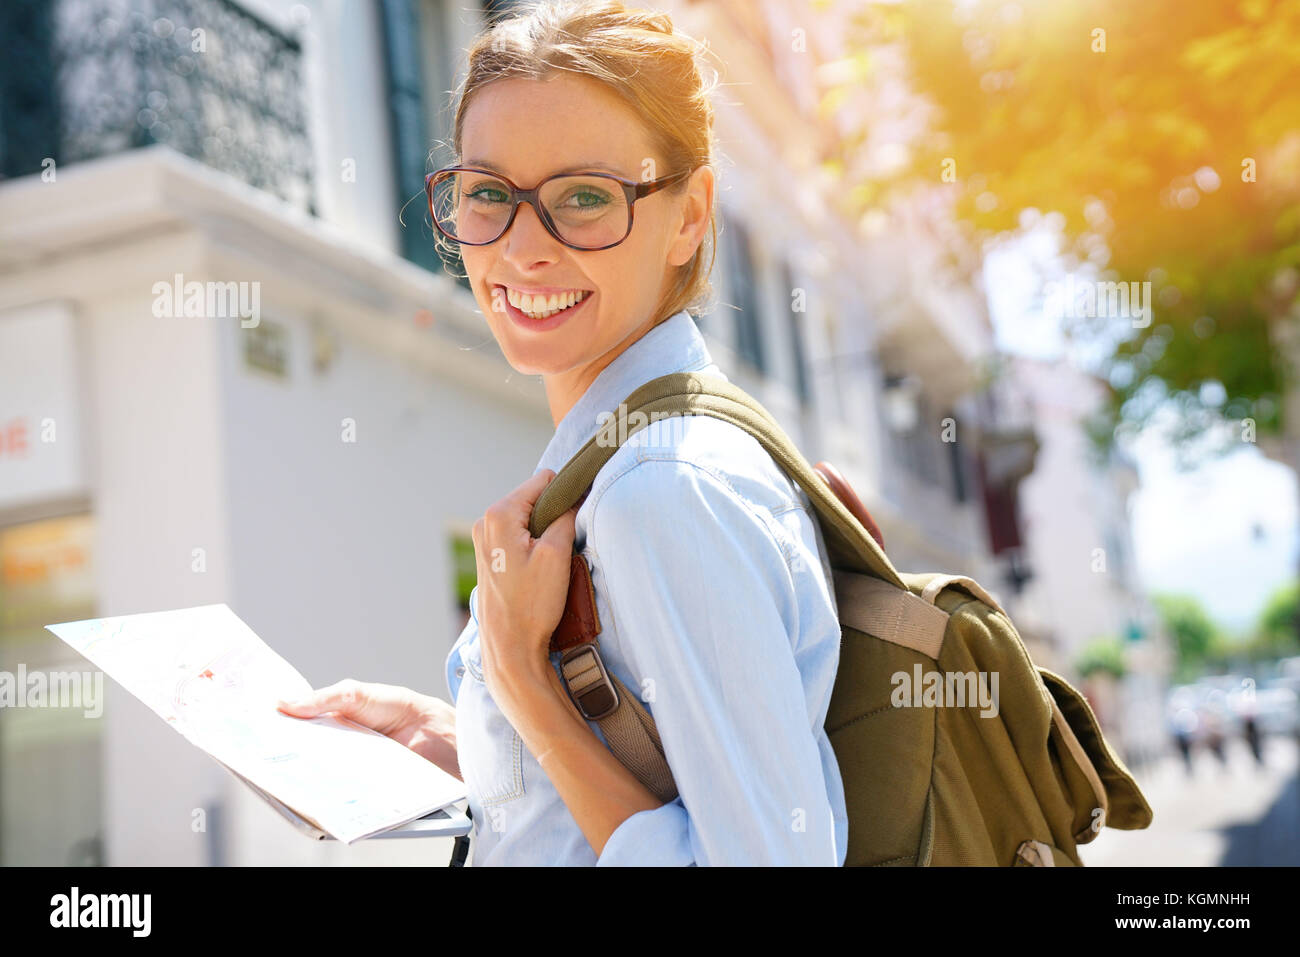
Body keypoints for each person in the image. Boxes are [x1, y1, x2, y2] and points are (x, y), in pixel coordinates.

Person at [277, 0, 847, 865]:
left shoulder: (662, 491)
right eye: (486, 196)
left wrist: (525, 688)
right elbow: (643, 787)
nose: (521, 249)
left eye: (584, 197)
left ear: (690, 214)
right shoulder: (622, 463)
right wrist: (459, 738)